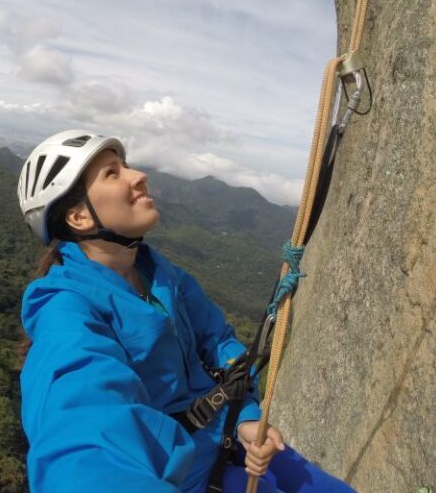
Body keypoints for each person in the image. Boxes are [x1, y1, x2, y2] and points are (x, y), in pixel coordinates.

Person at [18, 130, 355, 493]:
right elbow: (79, 432)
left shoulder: (160, 274)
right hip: (186, 476)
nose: (138, 176)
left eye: (125, 166)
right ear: (80, 217)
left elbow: (217, 341)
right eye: (113, 173)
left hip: (229, 436)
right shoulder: (65, 308)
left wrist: (246, 417)